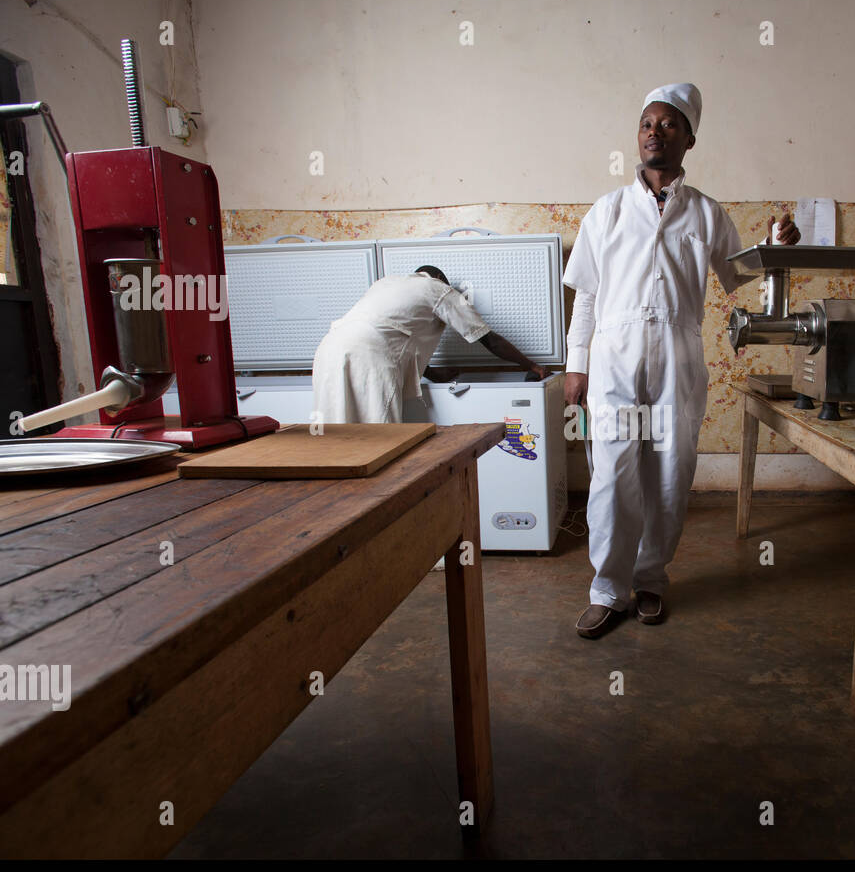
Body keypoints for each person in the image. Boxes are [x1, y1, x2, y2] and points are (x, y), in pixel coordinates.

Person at [562, 82, 799, 639]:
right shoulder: (609, 210)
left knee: (669, 473)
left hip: (678, 354)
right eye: (647, 122)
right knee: (612, 475)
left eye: (668, 124)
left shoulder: (707, 214)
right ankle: (606, 590)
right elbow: (588, 297)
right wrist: (577, 365)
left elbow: (740, 277)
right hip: (614, 356)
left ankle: (651, 580)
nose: (654, 132)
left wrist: (776, 250)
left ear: (689, 139)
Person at [312, 266, 549, 422]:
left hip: (328, 350)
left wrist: (435, 374)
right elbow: (488, 339)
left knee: (337, 429)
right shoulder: (438, 289)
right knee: (379, 433)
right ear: (440, 279)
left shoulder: (385, 283)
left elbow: (399, 337)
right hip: (370, 355)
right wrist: (531, 365)